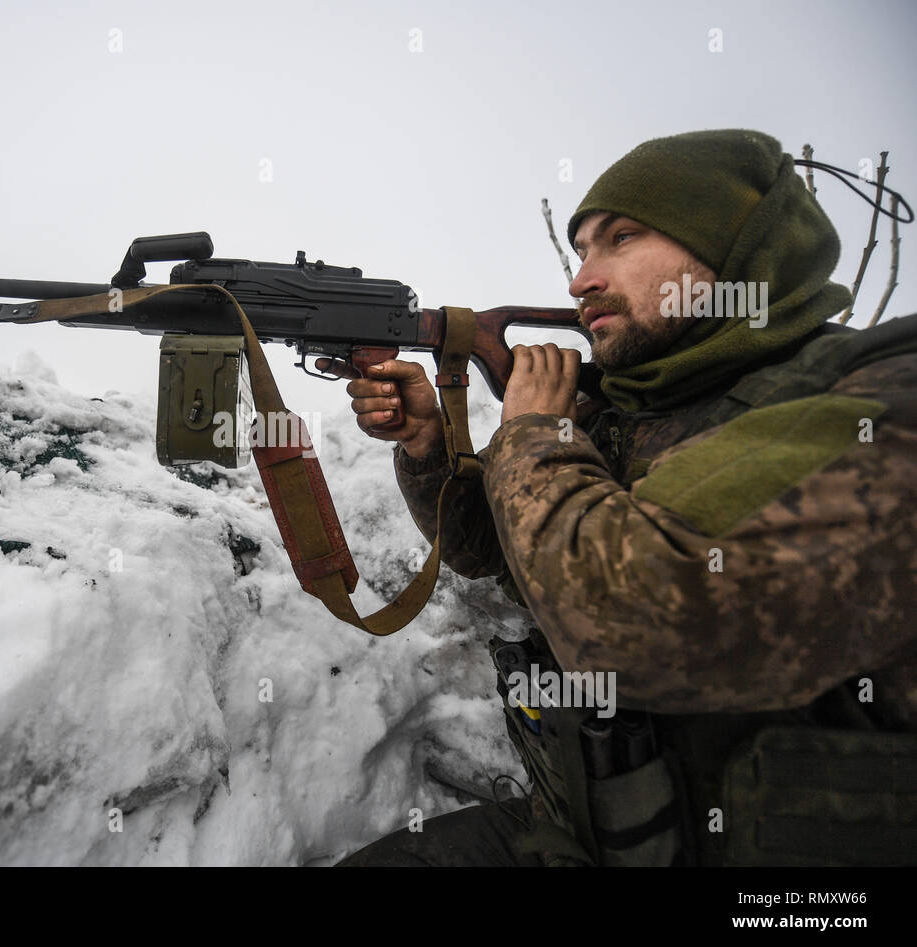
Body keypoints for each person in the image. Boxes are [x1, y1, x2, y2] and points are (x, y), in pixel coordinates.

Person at [330, 129, 917, 866]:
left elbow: (635, 625)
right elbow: (494, 556)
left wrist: (536, 435)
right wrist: (426, 448)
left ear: (738, 246)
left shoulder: (881, 393)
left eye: (622, 238)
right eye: (580, 251)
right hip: (584, 829)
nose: (580, 281)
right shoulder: (629, 406)